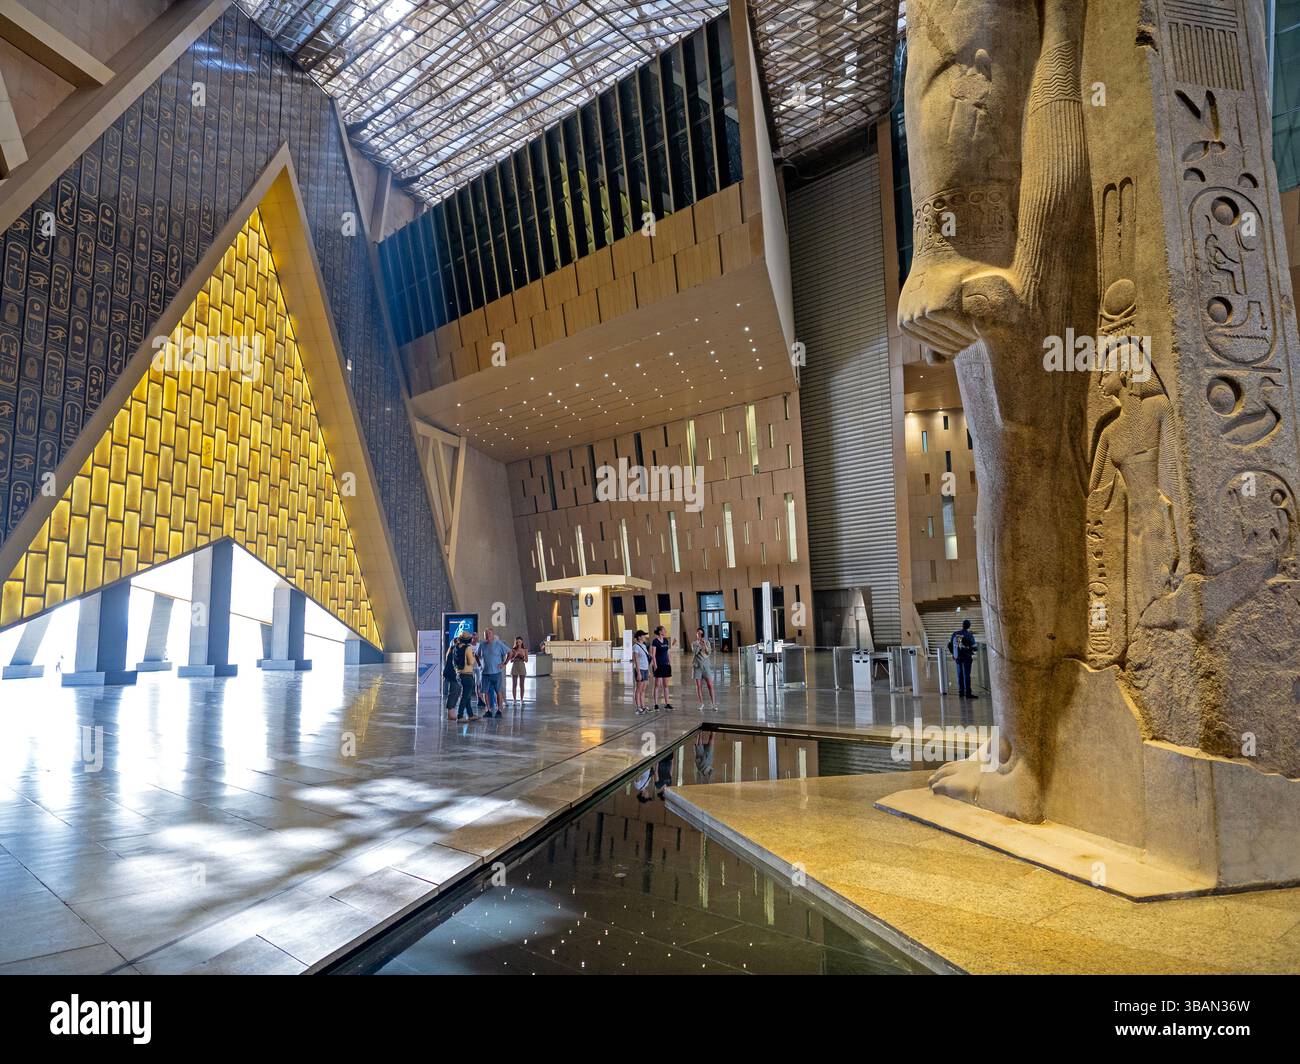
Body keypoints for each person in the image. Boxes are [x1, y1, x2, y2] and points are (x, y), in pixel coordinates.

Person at [477, 628, 508, 718]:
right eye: (486, 634)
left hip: (496, 673)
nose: (487, 636)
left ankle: (499, 710)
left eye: (489, 634)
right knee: (485, 692)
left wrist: (504, 663)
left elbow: (510, 653)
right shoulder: (482, 644)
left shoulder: (498, 643)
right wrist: (479, 664)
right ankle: (488, 710)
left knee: (498, 691)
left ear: (493, 634)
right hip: (485, 673)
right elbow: (476, 654)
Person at [453, 633, 479, 721]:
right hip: (467, 674)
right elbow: (471, 662)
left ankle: (470, 715)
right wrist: (474, 656)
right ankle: (460, 716)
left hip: (459, 674)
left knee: (467, 695)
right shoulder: (468, 648)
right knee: (465, 696)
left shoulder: (456, 647)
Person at [950, 619, 977, 699]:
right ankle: (968, 693)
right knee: (967, 675)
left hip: (958, 657)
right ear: (969, 626)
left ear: (962, 625)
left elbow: (950, 645)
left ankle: (961, 692)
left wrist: (954, 654)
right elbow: (974, 647)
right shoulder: (969, 635)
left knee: (960, 674)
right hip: (967, 657)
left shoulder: (955, 634)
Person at [691, 627, 716, 710]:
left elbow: (709, 652)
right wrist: (699, 645)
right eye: (698, 633)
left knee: (710, 685)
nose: (699, 634)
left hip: (706, 666)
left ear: (703, 634)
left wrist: (704, 644)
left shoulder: (707, 642)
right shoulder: (694, 643)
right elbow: (695, 652)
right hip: (697, 666)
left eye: (700, 633)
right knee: (698, 686)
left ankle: (713, 704)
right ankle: (701, 703)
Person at [650, 625, 673, 711]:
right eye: (664, 630)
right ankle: (656, 704)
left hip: (665, 665)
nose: (665, 631)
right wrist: (655, 665)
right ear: (660, 632)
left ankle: (667, 703)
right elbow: (653, 654)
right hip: (658, 665)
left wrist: (669, 662)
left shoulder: (666, 640)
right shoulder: (655, 641)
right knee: (657, 685)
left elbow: (667, 652)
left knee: (666, 685)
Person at [631, 630, 651, 714]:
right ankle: (638, 707)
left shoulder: (644, 645)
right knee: (638, 689)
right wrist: (638, 672)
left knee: (643, 689)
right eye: (643, 635)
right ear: (639, 637)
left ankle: (643, 706)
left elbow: (646, 659)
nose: (645, 637)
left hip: (645, 669)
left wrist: (648, 670)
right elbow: (635, 660)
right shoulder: (636, 646)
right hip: (640, 670)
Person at [507, 636, 528, 705]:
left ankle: (521, 700)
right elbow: (511, 660)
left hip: (522, 667)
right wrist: (515, 656)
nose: (519, 643)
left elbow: (526, 660)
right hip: (515, 666)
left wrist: (522, 657)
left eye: (520, 641)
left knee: (522, 684)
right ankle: (514, 700)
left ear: (522, 642)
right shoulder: (513, 650)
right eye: (517, 642)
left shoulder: (525, 650)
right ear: (515, 642)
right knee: (514, 684)